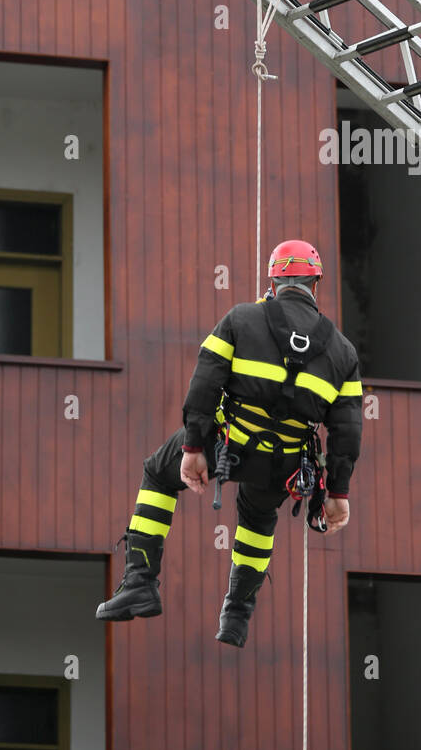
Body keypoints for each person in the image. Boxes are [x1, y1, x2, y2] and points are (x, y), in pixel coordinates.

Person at [96, 240, 363, 647]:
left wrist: (192, 449)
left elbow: (205, 384)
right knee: (258, 519)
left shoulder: (241, 318)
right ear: (316, 282)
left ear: (273, 280)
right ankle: (236, 617)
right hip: (283, 465)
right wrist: (338, 492)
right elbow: (347, 432)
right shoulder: (343, 352)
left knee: (157, 472)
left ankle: (140, 582)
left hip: (227, 446)